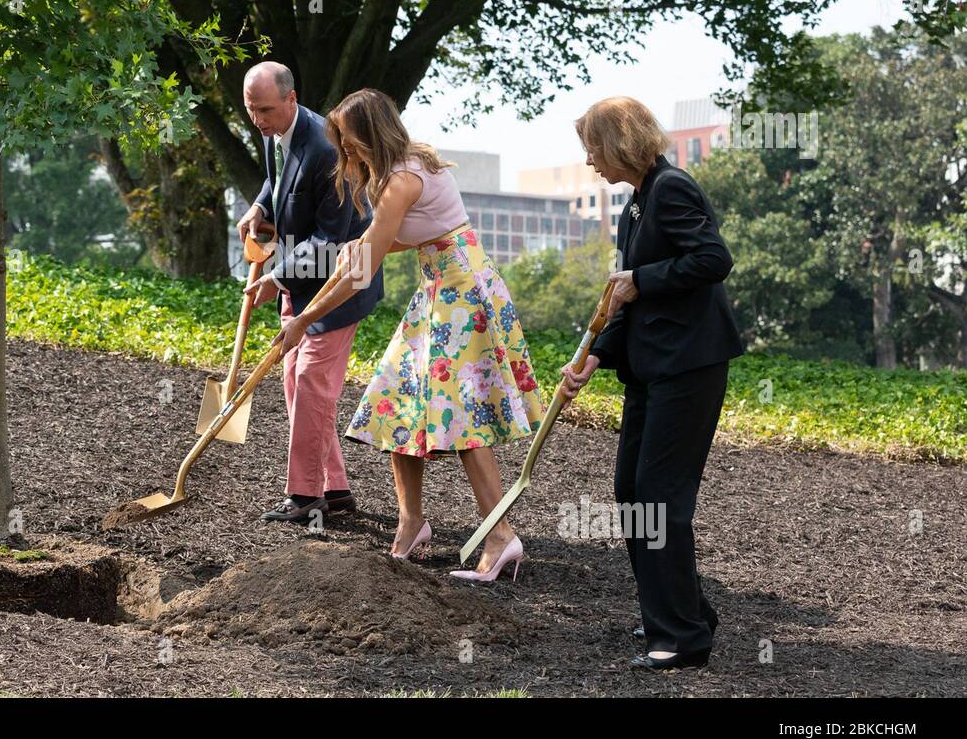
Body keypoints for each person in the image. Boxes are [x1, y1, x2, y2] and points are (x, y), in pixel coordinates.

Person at [272, 88, 545, 580]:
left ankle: (500, 536)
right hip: (443, 285)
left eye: (350, 141)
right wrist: (363, 245)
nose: (346, 152)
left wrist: (304, 320)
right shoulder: (414, 161)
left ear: (372, 134)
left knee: (460, 419)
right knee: (396, 402)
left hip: (459, 295)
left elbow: (361, 272)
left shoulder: (401, 180)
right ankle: (411, 524)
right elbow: (421, 233)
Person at [559, 96, 744, 671]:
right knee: (631, 492)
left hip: (690, 366)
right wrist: (596, 355)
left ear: (618, 141)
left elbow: (714, 259)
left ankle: (682, 638)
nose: (589, 160)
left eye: (592, 146)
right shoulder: (636, 204)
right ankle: (678, 610)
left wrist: (644, 276)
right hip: (648, 366)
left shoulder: (672, 188)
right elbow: (626, 297)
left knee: (661, 498)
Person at [237, 62, 384, 524]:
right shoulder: (272, 130)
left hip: (340, 282)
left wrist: (276, 278)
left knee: (311, 384)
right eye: (250, 110)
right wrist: (260, 206)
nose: (258, 120)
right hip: (299, 279)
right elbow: (277, 180)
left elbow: (332, 238)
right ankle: (334, 488)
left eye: (264, 110)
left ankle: (304, 497)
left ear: (291, 98)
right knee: (294, 379)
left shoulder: (326, 148)